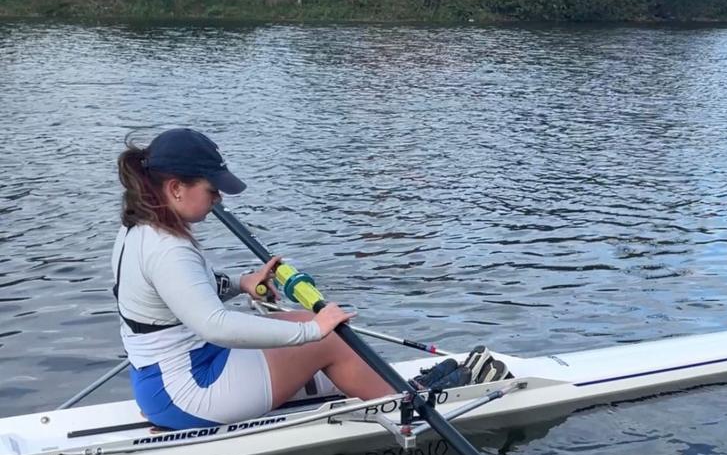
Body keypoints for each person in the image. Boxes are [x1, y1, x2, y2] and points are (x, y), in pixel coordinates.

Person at [114, 128, 504, 430]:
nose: (219, 200)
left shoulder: (140, 230)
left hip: (169, 375)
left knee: (304, 328)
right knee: (326, 338)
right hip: (186, 391)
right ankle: (411, 409)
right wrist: (314, 333)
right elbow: (215, 325)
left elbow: (180, 294)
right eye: (212, 191)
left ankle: (377, 387)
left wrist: (241, 283)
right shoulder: (168, 248)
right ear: (176, 188)